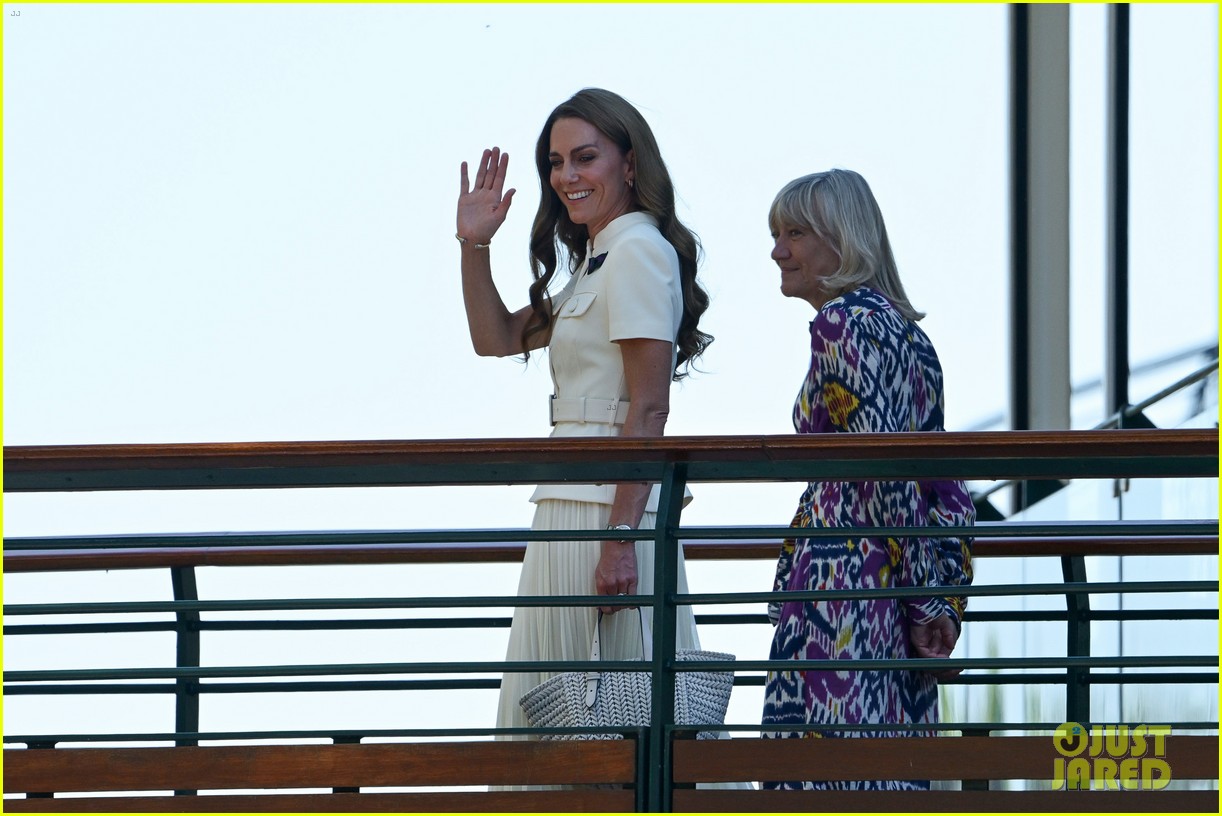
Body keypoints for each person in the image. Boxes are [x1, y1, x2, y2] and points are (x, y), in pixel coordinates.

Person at [454, 88, 715, 744]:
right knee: (560, 724)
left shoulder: (635, 251)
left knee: (592, 730)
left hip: (604, 512)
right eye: (556, 161)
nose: (567, 176)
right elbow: (497, 337)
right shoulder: (598, 259)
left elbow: (649, 408)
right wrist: (473, 245)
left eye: (585, 157)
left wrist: (621, 539)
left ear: (630, 165)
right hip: (575, 504)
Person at [760, 169, 975, 790]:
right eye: (776, 233)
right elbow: (946, 488)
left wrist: (926, 601)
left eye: (794, 232)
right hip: (896, 605)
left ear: (843, 239)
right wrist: (939, 602)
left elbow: (883, 475)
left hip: (843, 599)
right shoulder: (914, 337)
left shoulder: (841, 324)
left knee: (822, 786)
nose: (778, 250)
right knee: (891, 784)